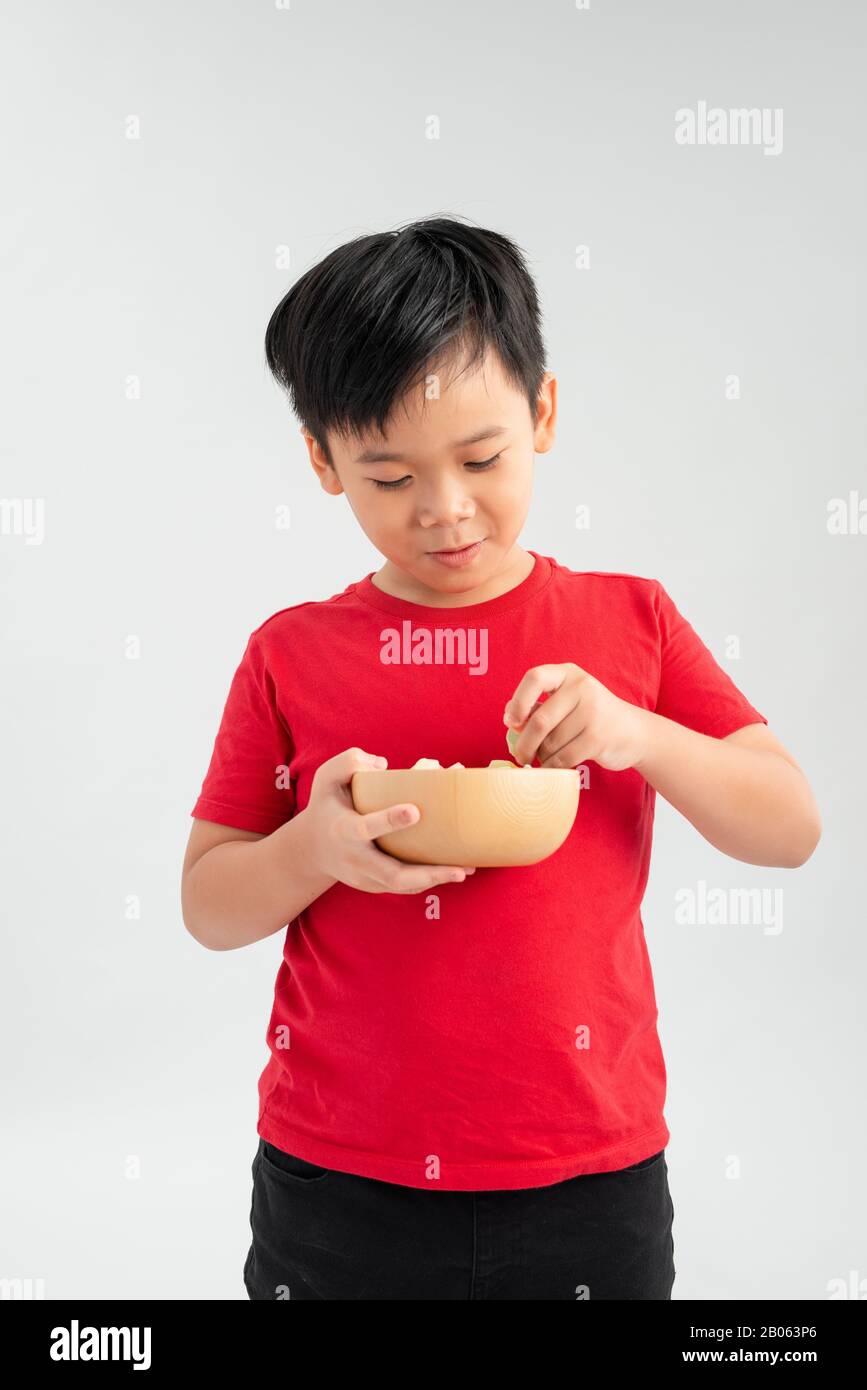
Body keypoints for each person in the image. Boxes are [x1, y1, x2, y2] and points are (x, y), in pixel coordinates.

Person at [181, 216, 821, 1300]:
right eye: (388, 477)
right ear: (323, 461)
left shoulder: (630, 622)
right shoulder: (290, 653)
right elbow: (211, 903)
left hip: (587, 1172)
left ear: (545, 413)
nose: (444, 509)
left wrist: (635, 731)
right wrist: (319, 845)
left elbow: (790, 825)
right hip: (340, 1180)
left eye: (482, 458)